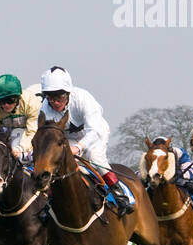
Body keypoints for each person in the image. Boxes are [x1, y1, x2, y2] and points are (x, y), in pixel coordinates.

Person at [37, 66, 134, 216]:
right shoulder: (44, 108)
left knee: (93, 156)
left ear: (68, 92)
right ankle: (50, 198)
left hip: (95, 134)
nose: (55, 103)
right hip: (68, 138)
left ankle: (119, 194)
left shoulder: (83, 98)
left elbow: (94, 130)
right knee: (55, 161)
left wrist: (79, 147)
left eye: (60, 97)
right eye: (50, 97)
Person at [0, 74, 41, 160]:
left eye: (10, 100)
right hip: (7, 139)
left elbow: (33, 132)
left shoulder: (31, 103)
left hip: (31, 141)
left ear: (18, 97)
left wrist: (20, 149)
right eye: (2, 101)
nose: (6, 105)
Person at [150, 136, 193, 209]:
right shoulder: (151, 155)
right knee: (148, 191)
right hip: (158, 182)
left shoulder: (178, 152)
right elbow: (143, 172)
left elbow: (191, 171)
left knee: (189, 185)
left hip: (178, 181)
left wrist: (180, 174)